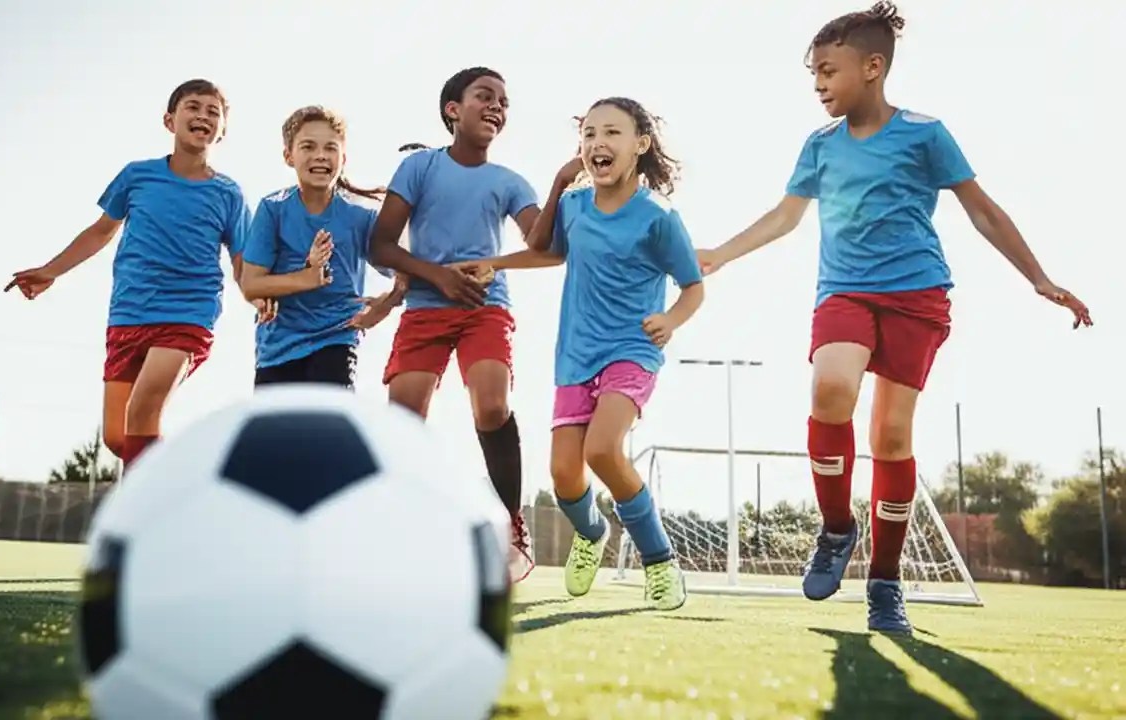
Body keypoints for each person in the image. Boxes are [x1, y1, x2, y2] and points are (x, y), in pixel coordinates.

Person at [697, 2, 1093, 633]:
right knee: (831, 387)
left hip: (917, 296)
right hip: (844, 293)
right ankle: (835, 530)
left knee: (891, 439)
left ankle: (885, 582)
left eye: (829, 70)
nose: (819, 84)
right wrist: (720, 253)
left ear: (873, 68)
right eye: (813, 75)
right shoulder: (819, 146)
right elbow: (785, 217)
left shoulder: (924, 133)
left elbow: (983, 211)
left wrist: (1039, 279)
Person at [455, 97, 704, 610]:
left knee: (602, 450)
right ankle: (591, 535)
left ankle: (661, 562)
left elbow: (693, 286)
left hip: (633, 349)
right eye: (589, 135)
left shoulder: (658, 217)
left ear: (641, 144)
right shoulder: (575, 205)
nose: (598, 144)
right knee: (565, 474)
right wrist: (495, 263)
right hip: (576, 354)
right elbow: (548, 249)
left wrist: (672, 320)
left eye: (611, 133)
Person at [5, 79, 252, 469]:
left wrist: (261, 296)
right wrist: (51, 271)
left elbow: (243, 261)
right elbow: (101, 230)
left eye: (213, 112)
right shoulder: (137, 176)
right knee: (119, 437)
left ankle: (145, 525)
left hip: (188, 314)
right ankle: (187, 472)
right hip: (129, 313)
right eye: (193, 106)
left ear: (222, 132)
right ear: (170, 120)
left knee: (143, 412)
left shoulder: (229, 193)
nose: (203, 115)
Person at [367, 67, 541, 583]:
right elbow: (381, 244)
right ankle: (399, 532)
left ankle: (512, 527)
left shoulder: (510, 182)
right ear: (452, 109)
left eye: (504, 102)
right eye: (484, 96)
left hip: (484, 308)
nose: (496, 107)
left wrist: (560, 189)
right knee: (402, 421)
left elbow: (544, 244)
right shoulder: (420, 168)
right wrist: (436, 276)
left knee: (491, 404)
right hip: (425, 308)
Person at [241, 105, 406, 388]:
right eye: (308, 146)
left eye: (330, 148)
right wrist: (307, 277)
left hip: (337, 340)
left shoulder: (360, 216)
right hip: (276, 350)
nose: (320, 155)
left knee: (327, 428)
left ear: (344, 157)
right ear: (288, 156)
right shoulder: (273, 209)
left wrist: (388, 302)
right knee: (278, 433)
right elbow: (251, 284)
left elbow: (407, 270)